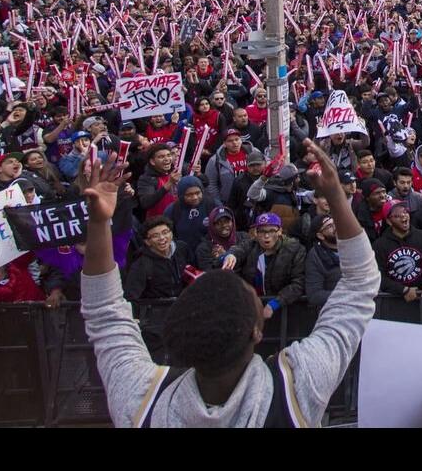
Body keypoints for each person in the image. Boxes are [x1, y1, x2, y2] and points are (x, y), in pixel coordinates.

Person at [77, 146, 380, 427]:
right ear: (257, 332)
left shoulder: (140, 400)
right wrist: (337, 196)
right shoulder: (298, 386)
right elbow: (360, 283)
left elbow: (104, 315)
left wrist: (98, 222)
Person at [220, 213, 307, 318]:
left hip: (284, 310)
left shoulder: (295, 250)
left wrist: (274, 304)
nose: (266, 236)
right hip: (253, 307)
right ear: (256, 233)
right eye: (262, 231)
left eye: (271, 231)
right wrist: (230, 255)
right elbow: (238, 250)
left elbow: (298, 284)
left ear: (279, 231)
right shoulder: (252, 245)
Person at [372, 203, 422, 303]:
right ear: (389, 221)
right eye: (397, 215)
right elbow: (378, 276)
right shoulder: (379, 245)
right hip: (396, 303)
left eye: (405, 212)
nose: (403, 216)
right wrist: (402, 290)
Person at [124, 217, 197, 300]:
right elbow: (130, 297)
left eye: (165, 232)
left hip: (181, 304)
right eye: (155, 236)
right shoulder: (141, 264)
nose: (162, 238)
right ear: (147, 242)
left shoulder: (182, 249)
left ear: (172, 234)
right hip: (156, 308)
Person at [304, 214, 341, 310]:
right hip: (333, 311)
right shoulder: (315, 256)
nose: (336, 227)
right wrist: (346, 296)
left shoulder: (353, 246)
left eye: (335, 222)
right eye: (329, 226)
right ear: (320, 235)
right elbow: (314, 294)